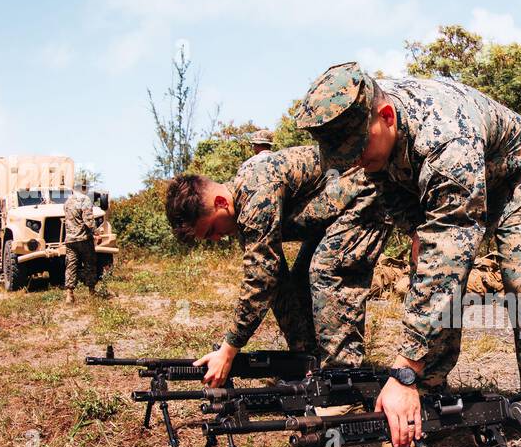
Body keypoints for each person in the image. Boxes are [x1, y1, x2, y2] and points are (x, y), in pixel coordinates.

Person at [294, 62, 521, 447]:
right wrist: (416, 235)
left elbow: (449, 255)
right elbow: (396, 197)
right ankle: (427, 393)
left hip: (519, 177)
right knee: (429, 273)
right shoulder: (372, 129)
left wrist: (403, 369)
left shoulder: (445, 139)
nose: (354, 162)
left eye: (358, 151)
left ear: (387, 117)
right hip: (462, 183)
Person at [163, 144, 390, 384]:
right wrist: (301, 360)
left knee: (326, 272)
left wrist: (228, 350)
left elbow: (260, 283)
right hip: (334, 214)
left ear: (220, 202)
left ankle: (343, 385)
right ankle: (315, 368)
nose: (217, 238)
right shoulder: (241, 211)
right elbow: (277, 287)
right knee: (300, 281)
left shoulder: (255, 194)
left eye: (211, 230)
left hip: (366, 195)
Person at [63, 184, 98, 302]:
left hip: (70, 240)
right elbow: (88, 220)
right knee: (89, 264)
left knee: (71, 266)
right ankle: (91, 291)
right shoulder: (85, 200)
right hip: (84, 239)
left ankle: (69, 294)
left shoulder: (67, 202)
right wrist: (96, 232)